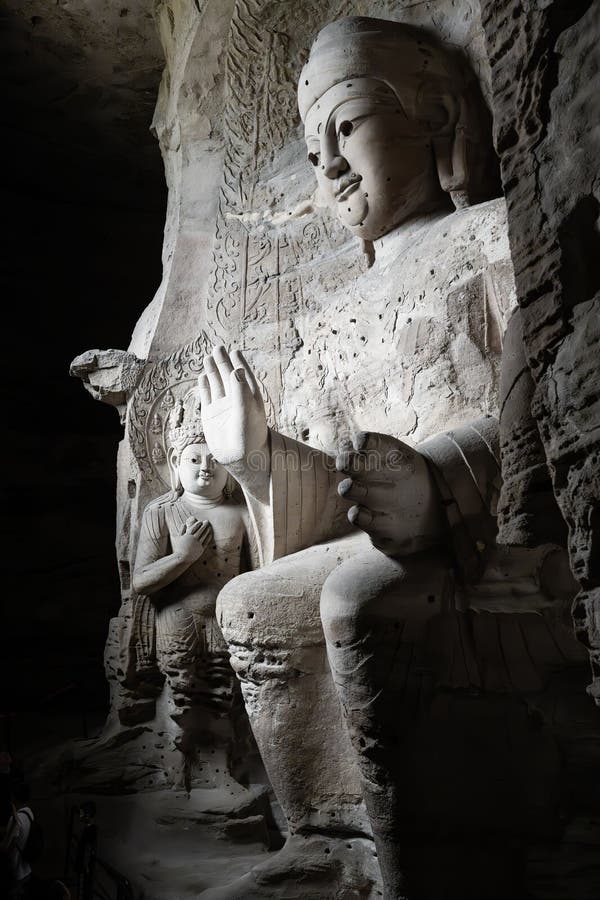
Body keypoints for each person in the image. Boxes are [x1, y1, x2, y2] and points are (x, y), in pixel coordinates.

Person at [197, 17, 582, 899]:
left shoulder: (493, 238)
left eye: (347, 125)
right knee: (250, 603)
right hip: (392, 528)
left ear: (435, 118)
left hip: (483, 527)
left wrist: (440, 481)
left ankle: (421, 865)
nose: (328, 163)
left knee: (360, 599)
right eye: (312, 146)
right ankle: (324, 838)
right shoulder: (330, 317)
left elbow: (538, 389)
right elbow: (340, 484)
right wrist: (260, 462)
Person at [132, 391, 259, 790]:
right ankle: (181, 767)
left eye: (216, 460)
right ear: (174, 462)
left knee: (222, 697)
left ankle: (222, 771)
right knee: (185, 698)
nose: (206, 469)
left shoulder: (243, 513)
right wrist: (183, 556)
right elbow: (141, 581)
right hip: (178, 619)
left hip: (226, 620)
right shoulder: (162, 512)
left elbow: (258, 571)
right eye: (193, 459)